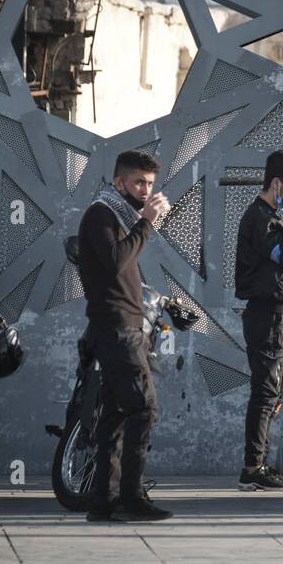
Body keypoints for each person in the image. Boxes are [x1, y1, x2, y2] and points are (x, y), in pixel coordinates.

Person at [79, 150, 171, 522]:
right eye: (138, 183)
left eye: (150, 184)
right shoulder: (101, 213)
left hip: (127, 325)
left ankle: (104, 501)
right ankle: (132, 498)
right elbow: (116, 261)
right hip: (115, 327)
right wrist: (146, 224)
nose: (145, 191)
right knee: (144, 409)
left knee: (116, 414)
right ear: (119, 182)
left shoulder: (121, 215)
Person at [234, 149, 283, 492]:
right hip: (267, 316)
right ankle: (254, 467)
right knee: (265, 393)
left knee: (276, 391)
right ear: (276, 182)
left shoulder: (272, 218)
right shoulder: (259, 217)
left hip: (282, 316)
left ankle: (258, 464)